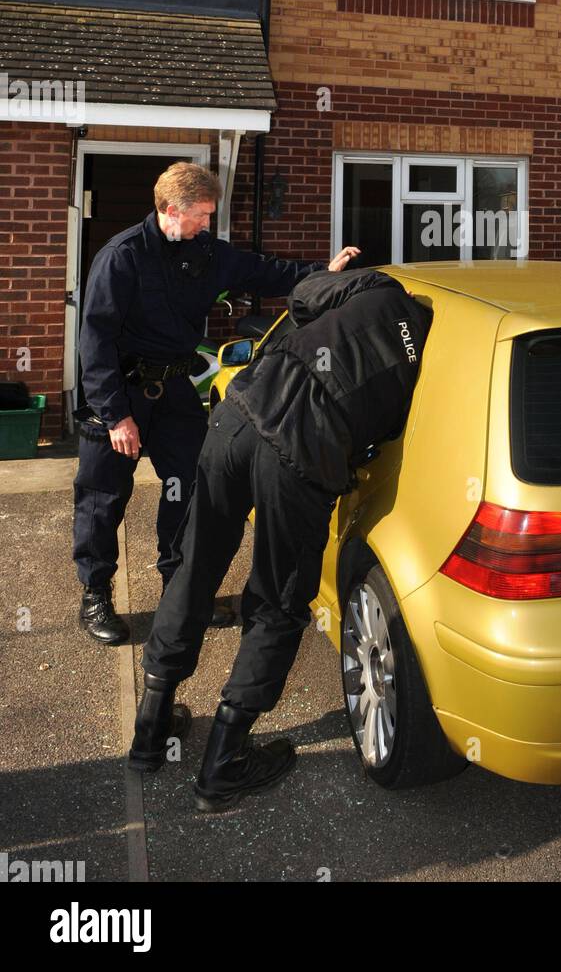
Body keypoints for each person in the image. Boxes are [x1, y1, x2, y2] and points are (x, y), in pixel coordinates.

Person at [127, 266, 433, 811]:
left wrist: (334, 277)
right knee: (278, 599)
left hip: (239, 416)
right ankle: (223, 762)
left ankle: (150, 731)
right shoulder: (431, 370)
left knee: (197, 566)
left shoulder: (378, 288)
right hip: (299, 452)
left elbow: (301, 299)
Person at [74, 161, 360, 646]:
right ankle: (95, 594)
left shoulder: (205, 252)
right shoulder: (121, 257)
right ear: (170, 210)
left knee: (188, 487)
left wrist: (321, 273)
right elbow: (94, 339)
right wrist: (115, 414)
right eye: (202, 215)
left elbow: (261, 270)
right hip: (120, 394)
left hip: (173, 394)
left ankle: (180, 590)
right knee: (104, 498)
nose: (208, 223)